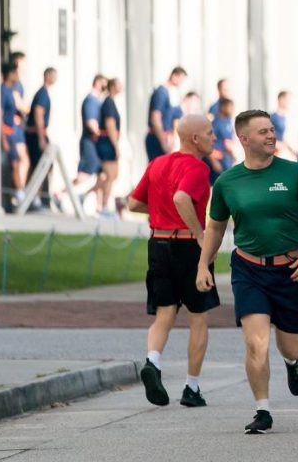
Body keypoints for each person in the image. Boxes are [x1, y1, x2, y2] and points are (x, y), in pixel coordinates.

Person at [197, 109, 298, 435]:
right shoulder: (227, 182)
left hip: (292, 270)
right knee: (256, 343)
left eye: (271, 130)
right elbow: (215, 227)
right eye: (263, 132)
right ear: (244, 139)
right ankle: (263, 409)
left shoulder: (295, 173)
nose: (271, 136)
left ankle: (294, 364)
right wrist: (203, 264)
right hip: (249, 269)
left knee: (291, 346)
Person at [128, 113, 219, 408]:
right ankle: (191, 388)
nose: (214, 137)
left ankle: (152, 362)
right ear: (195, 138)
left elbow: (133, 203)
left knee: (164, 314)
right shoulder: (197, 167)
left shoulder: (158, 163)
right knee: (198, 318)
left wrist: (159, 211)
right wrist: (201, 236)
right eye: (209, 132)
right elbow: (182, 198)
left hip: (158, 243)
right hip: (186, 247)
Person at [26, 67, 57, 210]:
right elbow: (39, 115)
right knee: (41, 167)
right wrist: (41, 138)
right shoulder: (42, 94)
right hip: (36, 134)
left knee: (40, 167)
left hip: (38, 133)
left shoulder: (43, 93)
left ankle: (34, 197)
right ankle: (35, 199)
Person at [75, 75, 107, 208]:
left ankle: (99, 207)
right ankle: (62, 194)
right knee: (86, 173)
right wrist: (102, 134)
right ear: (98, 83)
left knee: (103, 175)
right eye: (104, 84)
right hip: (90, 142)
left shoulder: (97, 100)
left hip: (97, 144)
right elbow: (91, 123)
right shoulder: (91, 100)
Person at [1, 61, 29, 209]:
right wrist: (3, 138)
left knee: (17, 163)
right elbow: (0, 114)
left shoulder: (11, 91)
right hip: (6, 133)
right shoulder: (3, 90)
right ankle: (18, 195)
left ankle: (19, 193)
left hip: (12, 132)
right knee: (13, 165)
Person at [147, 67, 187, 161]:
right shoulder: (161, 92)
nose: (181, 83)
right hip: (157, 138)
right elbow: (155, 117)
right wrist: (163, 142)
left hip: (162, 137)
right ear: (174, 76)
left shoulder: (168, 93)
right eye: (181, 79)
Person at [97, 77, 125, 215]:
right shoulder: (108, 102)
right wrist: (116, 146)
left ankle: (88, 196)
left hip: (109, 141)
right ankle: (104, 206)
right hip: (107, 142)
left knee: (110, 175)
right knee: (110, 175)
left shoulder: (111, 102)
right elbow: (110, 125)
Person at [208, 99, 241, 185]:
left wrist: (233, 154)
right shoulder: (217, 123)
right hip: (218, 156)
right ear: (223, 107)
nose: (232, 109)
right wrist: (213, 160)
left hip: (226, 156)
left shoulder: (228, 121)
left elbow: (228, 140)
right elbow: (209, 141)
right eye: (230, 107)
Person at [271, 91, 294, 160]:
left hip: (277, 153)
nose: (289, 103)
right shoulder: (273, 117)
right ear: (281, 100)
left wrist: (293, 151)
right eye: (287, 100)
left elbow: (281, 137)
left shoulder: (283, 118)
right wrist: (278, 144)